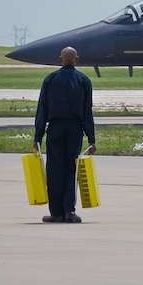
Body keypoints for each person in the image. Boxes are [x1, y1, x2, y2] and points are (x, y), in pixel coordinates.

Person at [34, 46, 97, 222]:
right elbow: (87, 113)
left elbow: (42, 111)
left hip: (55, 129)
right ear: (76, 60)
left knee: (54, 170)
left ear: (60, 59)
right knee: (72, 169)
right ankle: (69, 211)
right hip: (75, 129)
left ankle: (56, 213)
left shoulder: (50, 80)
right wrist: (91, 139)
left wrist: (37, 137)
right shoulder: (84, 80)